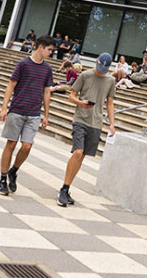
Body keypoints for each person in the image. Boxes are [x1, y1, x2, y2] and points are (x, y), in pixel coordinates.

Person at [0, 35, 55, 196]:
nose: (51, 53)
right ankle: (2, 178)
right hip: (17, 110)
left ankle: (13, 171)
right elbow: (10, 86)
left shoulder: (47, 69)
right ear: (41, 47)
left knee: (27, 146)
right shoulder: (23, 64)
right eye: (49, 50)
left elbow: (46, 93)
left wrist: (46, 115)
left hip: (34, 113)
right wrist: (4, 108)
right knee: (11, 144)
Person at [58, 52, 116, 207]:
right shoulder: (85, 75)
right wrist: (80, 102)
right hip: (81, 119)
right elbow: (71, 95)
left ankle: (67, 187)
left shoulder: (111, 80)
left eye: (104, 69)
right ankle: (63, 189)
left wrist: (112, 123)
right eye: (99, 67)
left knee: (82, 157)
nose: (100, 71)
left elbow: (110, 103)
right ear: (96, 61)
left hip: (96, 123)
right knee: (77, 152)